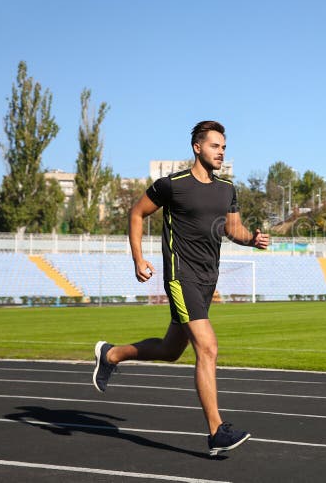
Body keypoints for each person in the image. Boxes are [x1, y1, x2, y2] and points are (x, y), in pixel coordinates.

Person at [92, 120, 270, 457]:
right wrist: (138, 258)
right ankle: (217, 430)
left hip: (207, 279)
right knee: (208, 347)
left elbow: (234, 229)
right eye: (215, 146)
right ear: (197, 147)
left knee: (171, 349)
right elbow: (136, 213)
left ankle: (111, 354)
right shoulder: (171, 185)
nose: (221, 152)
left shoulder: (227, 188)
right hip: (180, 276)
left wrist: (253, 239)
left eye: (224, 147)